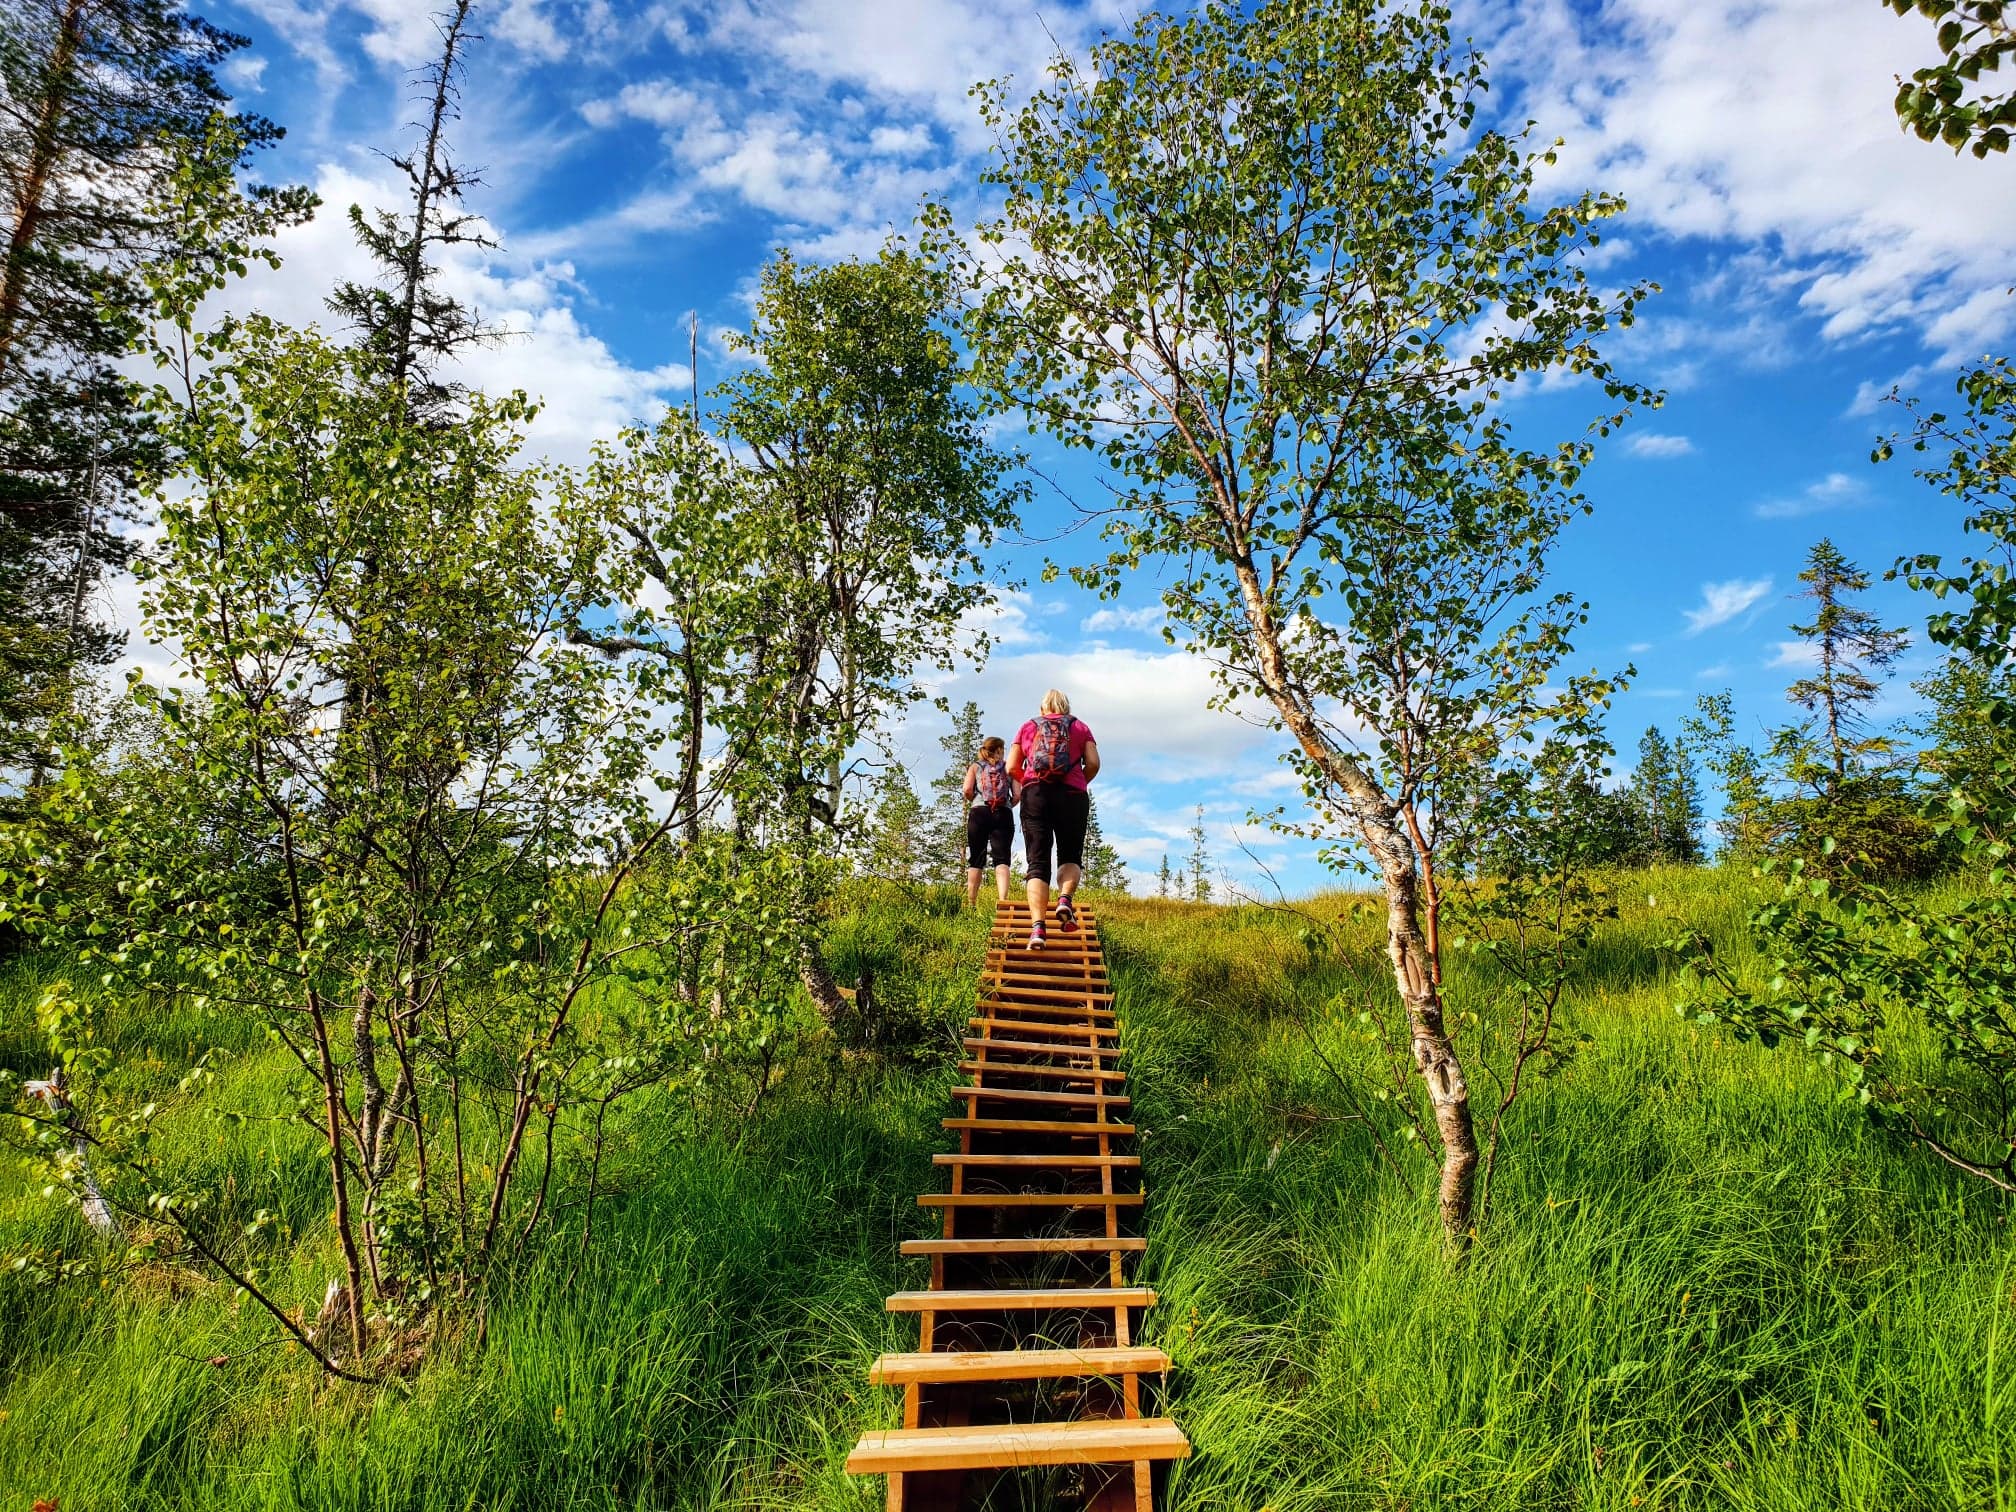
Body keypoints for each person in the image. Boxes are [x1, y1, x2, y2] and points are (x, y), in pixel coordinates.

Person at [1006, 688, 1100, 951]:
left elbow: (1011, 766)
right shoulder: (1080, 726)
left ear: (1042, 709)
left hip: (1035, 794)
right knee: (1070, 855)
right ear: (1066, 707)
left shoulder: (1027, 726)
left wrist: (1029, 781)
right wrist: (1079, 782)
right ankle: (1065, 900)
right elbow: (1093, 762)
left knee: (1037, 863)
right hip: (1073, 795)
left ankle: (1038, 928)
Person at [961, 735, 1018, 909]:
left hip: (979, 813)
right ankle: (1003, 900)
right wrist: (1007, 805)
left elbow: (967, 789)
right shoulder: (1009, 768)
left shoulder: (975, 766)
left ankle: (971, 902)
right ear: (999, 750)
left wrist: (976, 801)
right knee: (1002, 859)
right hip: (1003, 813)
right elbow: (1017, 794)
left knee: (976, 858)